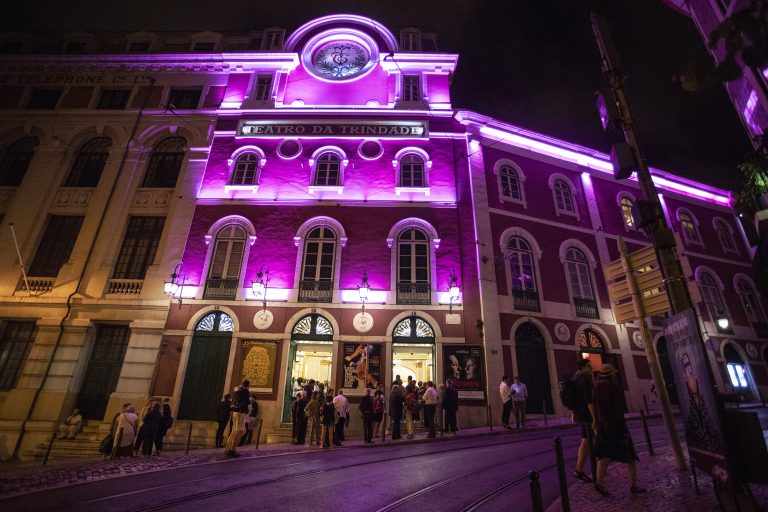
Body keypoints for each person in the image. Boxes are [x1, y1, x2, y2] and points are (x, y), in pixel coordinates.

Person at [592, 364, 644, 496]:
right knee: (630, 456)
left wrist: (595, 422)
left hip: (603, 425)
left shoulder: (596, 387)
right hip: (616, 425)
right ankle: (633, 485)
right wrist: (623, 427)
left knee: (604, 455)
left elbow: (595, 406)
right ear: (612, 375)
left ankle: (599, 482)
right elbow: (618, 409)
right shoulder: (614, 388)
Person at [572, 359, 596, 483]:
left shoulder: (575, 378)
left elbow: (574, 398)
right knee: (587, 440)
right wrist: (595, 418)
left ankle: (583, 468)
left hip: (580, 413)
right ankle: (580, 469)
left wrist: (574, 412)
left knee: (587, 440)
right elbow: (589, 400)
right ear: (583, 367)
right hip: (587, 414)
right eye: (589, 365)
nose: (591, 367)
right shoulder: (585, 379)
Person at [224, 379, 250, 457]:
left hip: (235, 413)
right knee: (240, 431)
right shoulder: (245, 392)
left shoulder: (237, 392)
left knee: (234, 431)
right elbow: (247, 402)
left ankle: (227, 449)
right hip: (240, 413)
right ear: (248, 386)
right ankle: (232, 450)